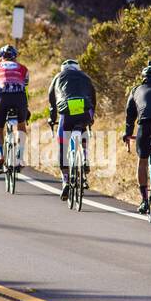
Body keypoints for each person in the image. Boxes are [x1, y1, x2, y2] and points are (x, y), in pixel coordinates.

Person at [122, 62, 151, 214]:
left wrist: (128, 132)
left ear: (144, 78)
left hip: (145, 124)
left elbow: (130, 114)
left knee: (143, 160)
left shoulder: (136, 89)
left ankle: (144, 200)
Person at [48, 59, 96, 201]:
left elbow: (52, 101)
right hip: (84, 109)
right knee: (83, 130)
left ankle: (66, 179)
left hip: (66, 110)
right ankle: (85, 158)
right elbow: (93, 99)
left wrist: (52, 118)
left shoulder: (57, 77)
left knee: (62, 145)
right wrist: (91, 117)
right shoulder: (86, 77)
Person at [0, 45, 30, 174]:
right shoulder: (24, 69)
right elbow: (25, 91)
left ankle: (0, 156)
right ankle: (19, 156)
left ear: (0, 57)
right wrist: (27, 108)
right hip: (19, 98)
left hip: (2, 98)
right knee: (21, 127)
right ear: (15, 57)